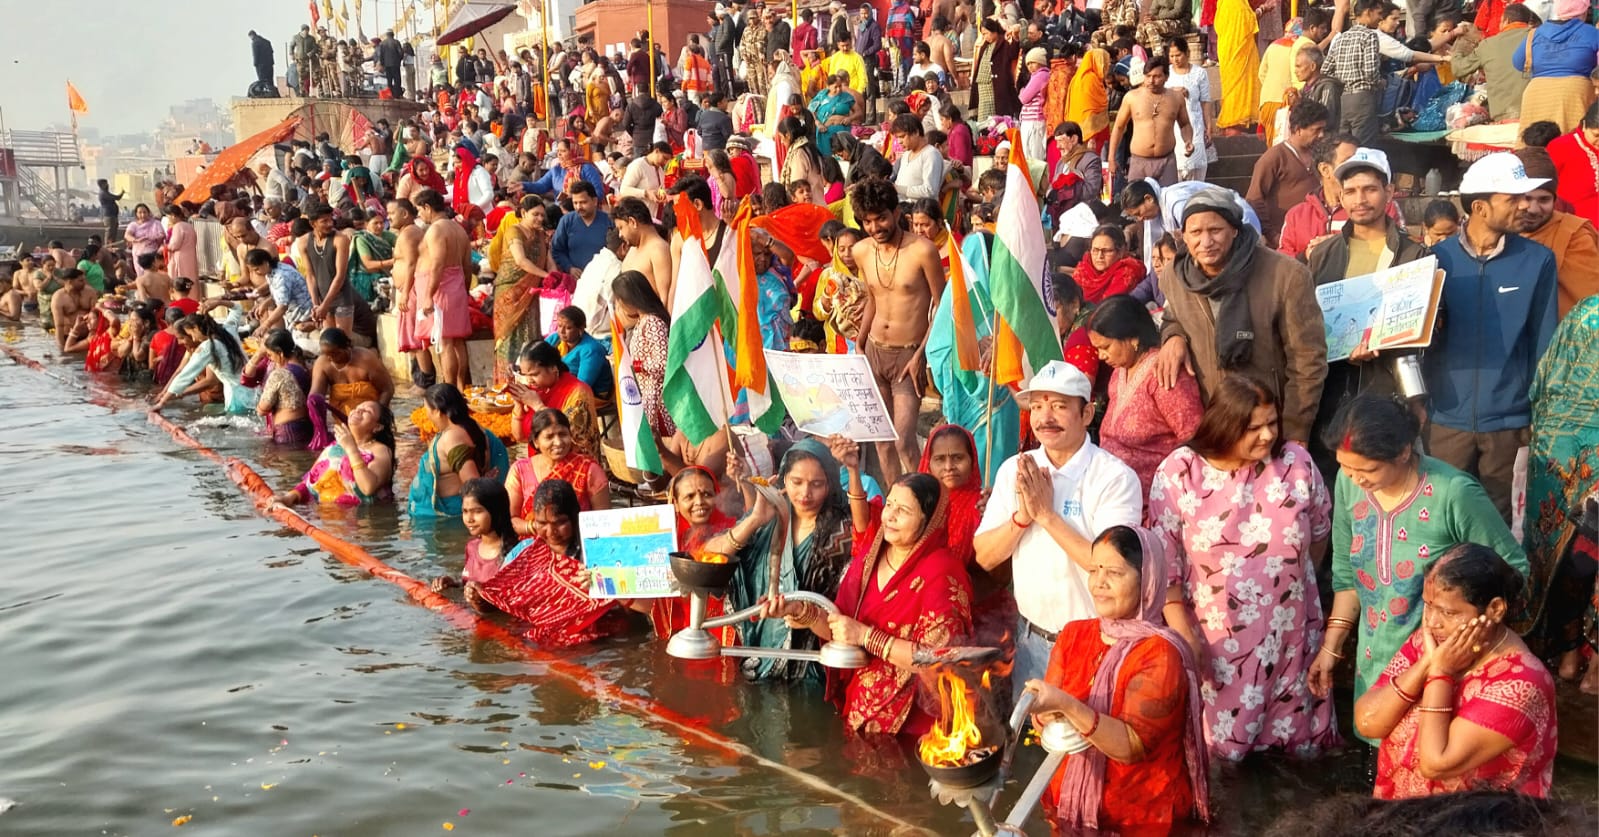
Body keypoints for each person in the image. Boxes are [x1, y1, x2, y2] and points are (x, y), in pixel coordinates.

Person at [1151, 374, 1341, 760]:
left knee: (1298, 753)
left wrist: (1291, 584)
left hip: (1292, 633)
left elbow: (1320, 532)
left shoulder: (1295, 464)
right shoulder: (1180, 473)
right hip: (1219, 644)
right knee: (1224, 757)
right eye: (1253, 428)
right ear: (1225, 425)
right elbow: (1165, 565)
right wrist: (1185, 635)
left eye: (1272, 423)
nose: (1267, 435)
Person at [1310, 398, 1530, 731]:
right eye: (1347, 468)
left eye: (1367, 470)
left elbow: (1513, 570)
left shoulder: (1453, 493)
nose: (1356, 479)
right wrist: (1331, 647)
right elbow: (1346, 576)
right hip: (1374, 670)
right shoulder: (1348, 485)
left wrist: (1463, 639)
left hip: (1441, 668)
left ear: (1402, 452)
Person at [1023, 525, 1211, 834]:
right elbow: (1046, 720)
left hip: (1140, 818)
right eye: (1094, 569)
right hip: (1070, 806)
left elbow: (1130, 745)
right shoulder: (1073, 635)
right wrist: (1047, 713)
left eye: (1114, 573)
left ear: (1146, 582)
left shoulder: (1160, 653)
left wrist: (1067, 706)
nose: (1099, 583)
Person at [974, 360, 1144, 691]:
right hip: (1030, 639)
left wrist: (1047, 516)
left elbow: (1108, 568)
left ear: (1087, 414)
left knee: (1083, 737)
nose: (1045, 417)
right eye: (1037, 406)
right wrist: (1022, 518)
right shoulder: (1016, 469)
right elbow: (984, 556)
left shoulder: (1114, 477)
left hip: (1094, 642)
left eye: (1059, 406)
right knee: (1032, 737)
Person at [761, 471, 972, 735]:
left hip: (918, 730)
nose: (890, 516)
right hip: (861, 712)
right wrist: (802, 612)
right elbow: (841, 628)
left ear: (928, 522)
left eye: (903, 510)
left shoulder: (942, 573)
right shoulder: (870, 558)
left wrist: (867, 636)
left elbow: (940, 660)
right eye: (890, 504)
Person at [1353, 544, 1557, 799]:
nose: (1432, 622)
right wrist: (1426, 664)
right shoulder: (1429, 642)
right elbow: (1368, 722)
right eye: (1429, 606)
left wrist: (1440, 672)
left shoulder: (1523, 683)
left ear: (1495, 609)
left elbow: (1435, 763)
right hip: (1401, 816)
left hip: (1473, 823)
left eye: (1448, 612)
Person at [1426, 153, 1559, 520]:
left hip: (1508, 422)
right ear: (1481, 207)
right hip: (1445, 418)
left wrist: (1536, 414)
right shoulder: (1435, 260)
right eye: (1513, 199)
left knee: (1499, 520)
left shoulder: (1538, 261)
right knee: (1442, 516)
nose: (1525, 206)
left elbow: (1543, 340)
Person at [1155, 186, 1327, 446]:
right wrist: (1173, 336)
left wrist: (1295, 431)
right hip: (1214, 422)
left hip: (1269, 424)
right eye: (1196, 233)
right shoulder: (1176, 277)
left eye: (1215, 230)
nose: (1206, 242)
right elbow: (1174, 315)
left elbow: (1308, 360)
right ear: (1183, 237)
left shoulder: (1286, 275)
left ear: (1235, 230)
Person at [1305, 147, 1430, 479]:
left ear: (1389, 192)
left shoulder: (1414, 255)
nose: (1360, 199)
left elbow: (1422, 329)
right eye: (1351, 191)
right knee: (1337, 480)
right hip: (1333, 390)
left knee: (1386, 474)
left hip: (1387, 387)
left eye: (1370, 189)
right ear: (1340, 196)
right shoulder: (1323, 255)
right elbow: (1311, 322)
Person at [696, 439, 854, 682]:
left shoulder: (843, 532)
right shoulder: (767, 517)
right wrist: (755, 519)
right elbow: (707, 559)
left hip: (814, 664)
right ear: (783, 479)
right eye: (796, 482)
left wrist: (804, 613)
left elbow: (848, 613)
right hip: (756, 651)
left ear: (830, 484)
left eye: (817, 484)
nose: (805, 494)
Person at [851, 177, 945, 483]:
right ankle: (896, 508)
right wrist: (860, 343)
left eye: (881, 218)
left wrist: (921, 355)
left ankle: (923, 504)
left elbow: (941, 309)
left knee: (905, 441)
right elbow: (873, 299)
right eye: (867, 221)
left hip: (908, 356)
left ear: (896, 213)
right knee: (881, 441)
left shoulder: (923, 250)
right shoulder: (862, 251)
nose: (875, 227)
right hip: (874, 352)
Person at [1526, 295, 1599, 685]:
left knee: (1580, 555)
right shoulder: (1588, 315)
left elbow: (1543, 383)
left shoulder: (1586, 313)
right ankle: (1570, 652)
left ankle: (1582, 655)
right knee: (1573, 556)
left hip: (1564, 451)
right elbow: (1547, 384)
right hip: (1567, 452)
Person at [1088, 295, 1203, 496]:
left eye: (1105, 347)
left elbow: (1194, 437)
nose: (1101, 356)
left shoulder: (1163, 372)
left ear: (1132, 339)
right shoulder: (1119, 372)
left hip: (1156, 499)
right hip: (1112, 492)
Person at [1324, 0, 1450, 145]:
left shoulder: (1341, 38)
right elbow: (1371, 72)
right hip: (1363, 99)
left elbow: (1326, 70)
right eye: (1378, 14)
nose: (1379, 18)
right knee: (1363, 146)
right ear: (1367, 12)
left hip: (1343, 100)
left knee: (1343, 144)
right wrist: (1381, 81)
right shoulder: (1370, 36)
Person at [1511, 147, 1599, 319]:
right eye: (1526, 198)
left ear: (1555, 199)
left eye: (1544, 200)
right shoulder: (1497, 230)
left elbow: (1589, 303)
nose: (1534, 210)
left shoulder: (1574, 234)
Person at [409, 383, 510, 518]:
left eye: (427, 409)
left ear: (438, 412)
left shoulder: (452, 438)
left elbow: (472, 483)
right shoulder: (472, 426)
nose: (426, 414)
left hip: (451, 518)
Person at [275, 400, 397, 506]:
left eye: (367, 411)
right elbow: (310, 482)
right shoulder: (335, 447)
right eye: (357, 408)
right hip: (326, 519)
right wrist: (289, 497)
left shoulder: (381, 450)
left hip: (361, 526)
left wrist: (351, 449)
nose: (358, 411)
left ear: (378, 427)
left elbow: (368, 488)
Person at [506, 407, 610, 526]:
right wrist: (538, 528)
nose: (558, 442)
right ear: (536, 441)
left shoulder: (588, 469)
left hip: (577, 541)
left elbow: (604, 521)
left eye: (563, 434)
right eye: (549, 437)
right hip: (529, 541)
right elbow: (510, 520)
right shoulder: (519, 470)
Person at [414, 189, 475, 391]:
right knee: (457, 341)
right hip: (456, 287)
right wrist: (464, 291)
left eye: (419, 210)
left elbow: (437, 264)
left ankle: (449, 389)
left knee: (446, 342)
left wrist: (429, 295)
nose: (419, 215)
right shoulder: (458, 229)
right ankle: (460, 388)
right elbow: (467, 267)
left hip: (442, 290)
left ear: (427, 207)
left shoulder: (436, 230)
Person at [492, 197, 559, 380]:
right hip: (510, 293)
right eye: (535, 214)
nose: (539, 219)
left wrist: (554, 275)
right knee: (509, 337)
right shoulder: (514, 231)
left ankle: (529, 380)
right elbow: (521, 260)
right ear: (523, 213)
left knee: (531, 334)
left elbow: (549, 261)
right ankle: (507, 381)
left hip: (531, 292)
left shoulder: (541, 235)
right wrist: (546, 276)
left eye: (542, 215)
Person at [1246, 99, 1329, 243]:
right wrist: (1272, 235)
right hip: (1284, 238)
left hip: (1317, 236)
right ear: (1297, 129)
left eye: (1323, 130)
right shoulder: (1274, 157)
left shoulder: (1321, 155)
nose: (1321, 135)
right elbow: (1254, 199)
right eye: (1316, 130)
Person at [1512, 0, 1599, 137]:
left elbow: (1518, 62)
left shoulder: (1534, 34)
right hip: (1575, 92)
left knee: (1535, 144)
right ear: (1582, 12)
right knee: (1573, 143)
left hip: (1536, 93)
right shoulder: (1592, 33)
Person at [1108, 56, 1195, 188]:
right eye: (1148, 76)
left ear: (1166, 76)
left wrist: (1188, 140)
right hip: (1139, 161)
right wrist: (1111, 157)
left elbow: (1185, 124)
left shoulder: (1176, 98)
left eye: (1156, 76)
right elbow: (1119, 127)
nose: (1151, 81)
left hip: (1167, 161)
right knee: (1135, 204)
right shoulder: (1132, 97)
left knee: (1166, 202)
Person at [508, 340, 601, 462]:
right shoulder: (536, 391)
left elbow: (569, 440)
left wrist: (538, 406)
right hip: (541, 466)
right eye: (525, 375)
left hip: (575, 468)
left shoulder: (578, 393)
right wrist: (518, 405)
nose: (529, 380)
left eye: (534, 374)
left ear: (553, 368)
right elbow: (520, 437)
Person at [151, 312, 256, 415]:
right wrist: (219, 302)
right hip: (252, 394)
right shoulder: (227, 332)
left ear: (196, 328)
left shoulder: (207, 347)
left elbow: (186, 375)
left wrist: (162, 402)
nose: (193, 338)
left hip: (236, 399)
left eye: (190, 334)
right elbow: (236, 309)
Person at [431, 478, 521, 598]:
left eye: (477, 511)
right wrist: (454, 584)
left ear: (496, 512)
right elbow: (469, 582)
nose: (469, 519)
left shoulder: (516, 553)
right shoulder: (471, 546)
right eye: (465, 511)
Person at [1450, 4, 1540, 121]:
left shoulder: (1488, 45)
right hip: (1538, 112)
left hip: (1503, 116)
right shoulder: (1540, 37)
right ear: (1528, 21)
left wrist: (1459, 48)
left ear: (1505, 21)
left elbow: (1458, 69)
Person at [248, 329, 314, 446]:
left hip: (287, 432)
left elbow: (262, 409)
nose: (270, 359)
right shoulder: (307, 368)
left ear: (280, 353)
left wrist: (259, 407)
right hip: (307, 428)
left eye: (270, 355)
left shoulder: (279, 374)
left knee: (281, 463)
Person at [545, 306, 613, 402]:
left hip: (591, 393)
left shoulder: (591, 350)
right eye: (560, 326)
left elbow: (583, 385)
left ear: (580, 329)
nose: (562, 331)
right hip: (564, 386)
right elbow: (538, 355)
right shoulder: (555, 339)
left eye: (568, 328)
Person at [1073, 225, 1145, 304]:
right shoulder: (1083, 270)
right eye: (1095, 250)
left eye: (1106, 251)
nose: (1100, 256)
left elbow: (1109, 305)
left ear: (1120, 252)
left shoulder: (1128, 271)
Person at [888, 114, 943, 202]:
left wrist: (899, 189)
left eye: (902, 137)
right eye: (898, 138)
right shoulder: (906, 154)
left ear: (916, 132)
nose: (899, 142)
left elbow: (930, 190)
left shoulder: (931, 154)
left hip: (920, 212)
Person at [350, 212, 395, 304]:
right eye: (375, 223)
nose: (380, 226)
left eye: (382, 223)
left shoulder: (387, 235)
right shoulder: (362, 238)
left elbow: (402, 246)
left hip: (386, 275)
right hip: (366, 280)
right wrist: (393, 261)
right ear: (366, 224)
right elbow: (368, 264)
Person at [125, 204, 166, 277]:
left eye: (144, 212)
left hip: (152, 253)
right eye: (140, 213)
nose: (143, 215)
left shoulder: (156, 223)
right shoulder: (133, 225)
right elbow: (127, 235)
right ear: (136, 214)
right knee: (141, 275)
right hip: (138, 254)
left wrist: (152, 238)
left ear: (148, 212)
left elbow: (162, 235)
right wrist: (136, 240)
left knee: (153, 275)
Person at [97, 179, 124, 245]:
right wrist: (122, 193)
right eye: (106, 183)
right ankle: (108, 247)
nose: (108, 185)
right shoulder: (103, 193)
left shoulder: (105, 192)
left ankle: (112, 246)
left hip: (113, 215)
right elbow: (117, 197)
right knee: (110, 232)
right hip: (109, 216)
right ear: (102, 184)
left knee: (113, 233)